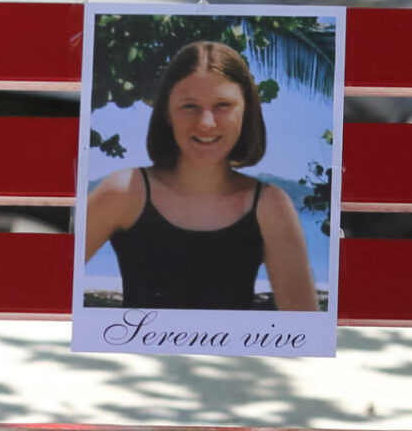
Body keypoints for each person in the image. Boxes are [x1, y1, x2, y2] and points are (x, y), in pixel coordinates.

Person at [81, 40, 321, 312]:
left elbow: (305, 326)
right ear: (167, 112)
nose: (206, 122)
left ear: (247, 111)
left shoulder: (271, 206)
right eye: (190, 106)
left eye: (223, 105)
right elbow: (51, 282)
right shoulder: (124, 192)